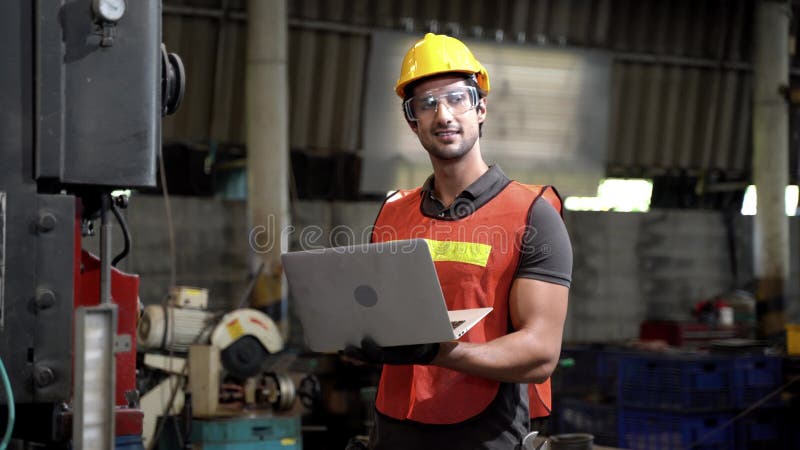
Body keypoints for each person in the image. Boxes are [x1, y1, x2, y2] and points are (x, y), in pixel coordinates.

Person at [344, 33, 572, 449]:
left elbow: (540, 352)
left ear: (480, 108)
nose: (443, 115)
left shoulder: (532, 214)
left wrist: (441, 352)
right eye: (426, 104)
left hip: (486, 434)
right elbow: (378, 317)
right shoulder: (393, 213)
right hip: (393, 431)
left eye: (456, 99)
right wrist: (355, 339)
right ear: (412, 121)